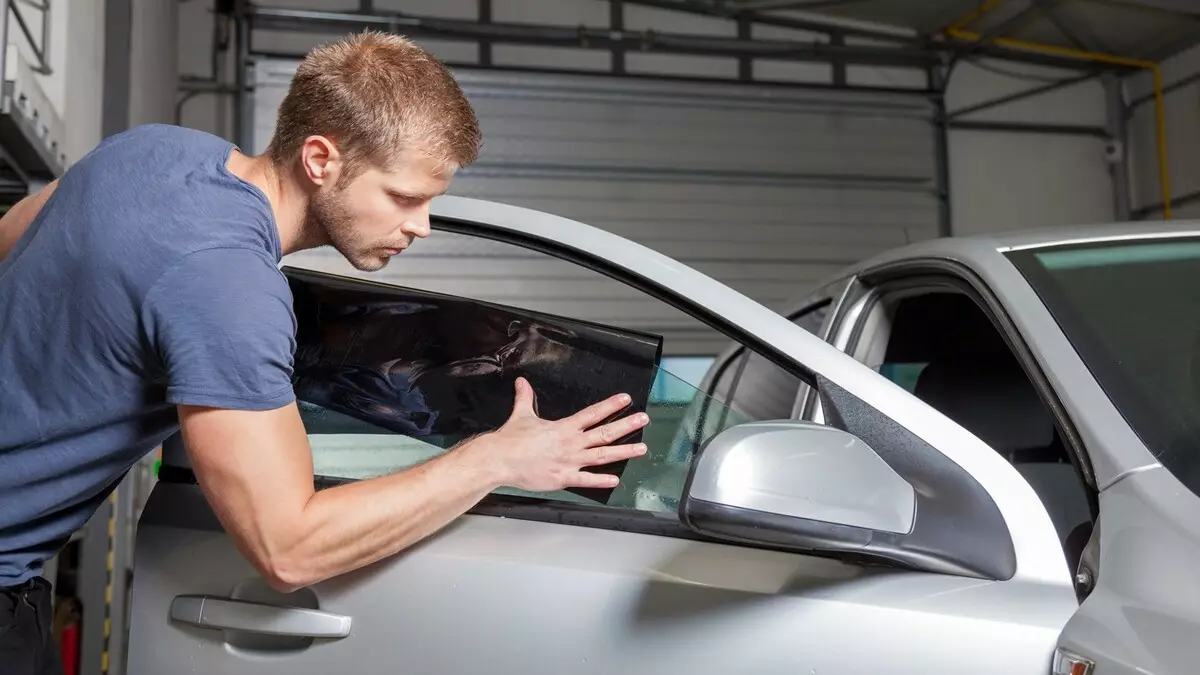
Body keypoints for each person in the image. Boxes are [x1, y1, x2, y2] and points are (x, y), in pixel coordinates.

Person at [0, 31, 649, 673]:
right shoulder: (230, 288)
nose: (421, 224)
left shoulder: (153, 150)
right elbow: (288, 548)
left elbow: (10, 236)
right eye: (404, 197)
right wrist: (493, 458)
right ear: (320, 159)